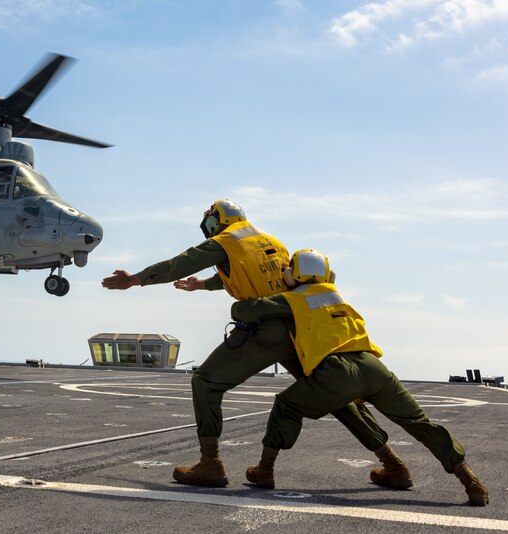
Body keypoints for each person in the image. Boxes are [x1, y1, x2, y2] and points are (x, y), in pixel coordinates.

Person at [103, 200, 410, 489]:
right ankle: (393, 463)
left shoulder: (225, 241)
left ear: (217, 221)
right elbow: (248, 272)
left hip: (263, 330)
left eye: (210, 222)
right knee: (334, 393)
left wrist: (135, 279)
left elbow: (181, 263)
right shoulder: (271, 242)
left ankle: (210, 463)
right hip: (298, 330)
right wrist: (202, 285)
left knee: (205, 382)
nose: (209, 228)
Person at [231, 249, 488, 506]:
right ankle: (470, 482)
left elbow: (244, 311)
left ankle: (265, 469)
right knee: (418, 422)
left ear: (295, 274)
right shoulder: (336, 296)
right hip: (373, 367)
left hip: (337, 370)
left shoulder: (291, 299)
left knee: (286, 405)